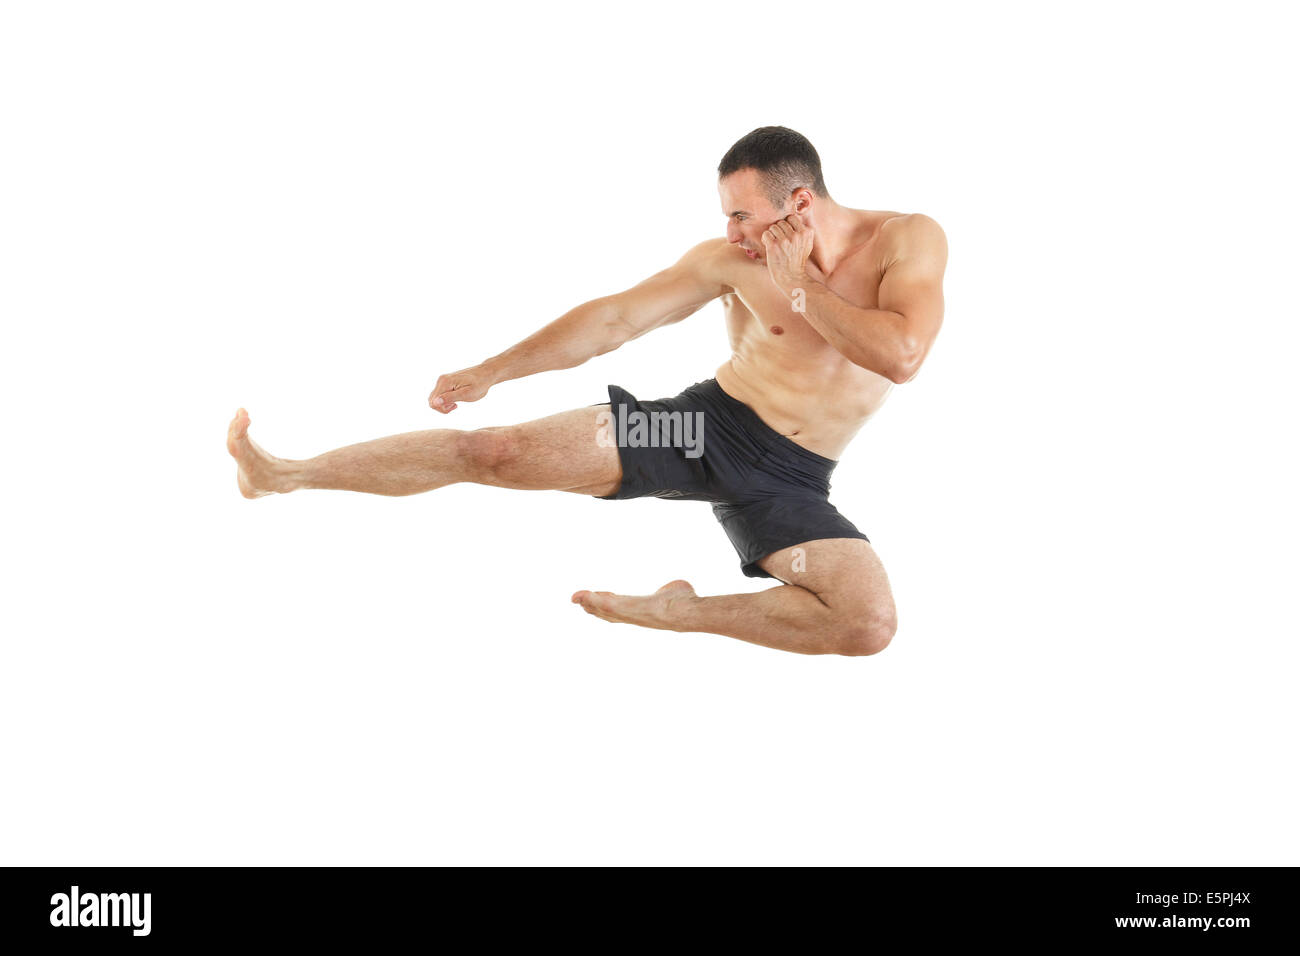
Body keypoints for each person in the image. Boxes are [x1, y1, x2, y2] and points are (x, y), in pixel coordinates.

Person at [227, 126, 947, 656]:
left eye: (742, 215)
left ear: (798, 202)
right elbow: (613, 319)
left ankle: (680, 613)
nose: (730, 233)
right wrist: (493, 370)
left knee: (866, 624)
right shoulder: (728, 261)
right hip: (702, 430)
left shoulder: (905, 240)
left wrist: (800, 285)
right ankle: (285, 474)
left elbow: (901, 356)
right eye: (726, 215)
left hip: (792, 480)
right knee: (496, 451)